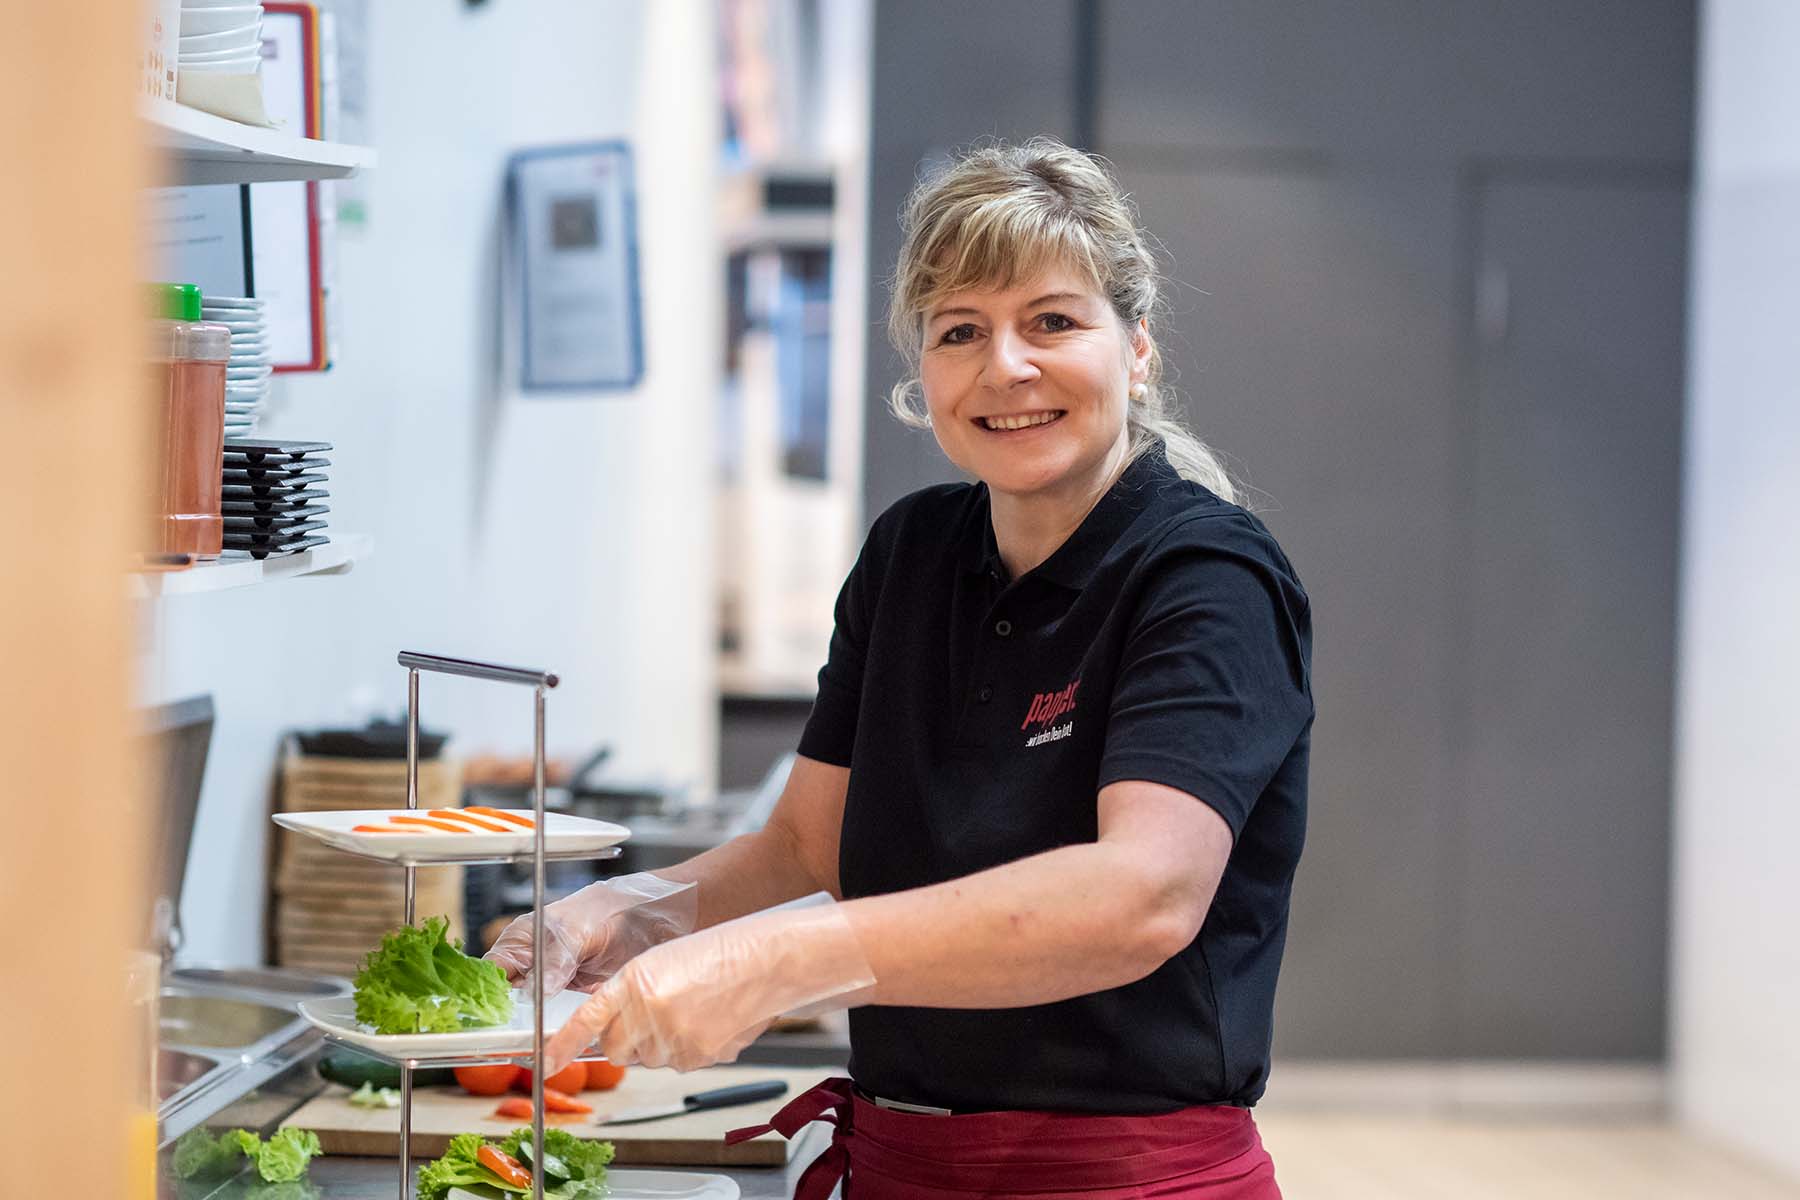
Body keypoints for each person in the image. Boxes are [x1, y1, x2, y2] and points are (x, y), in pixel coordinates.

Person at [488, 137, 1313, 1199]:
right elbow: (807, 842)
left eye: (1053, 322)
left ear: (1138, 347)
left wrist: (776, 962)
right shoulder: (912, 553)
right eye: (960, 331)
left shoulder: (1206, 577)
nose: (1005, 367)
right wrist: (630, 910)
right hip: (901, 1163)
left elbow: (1140, 896)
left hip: (1120, 1176)